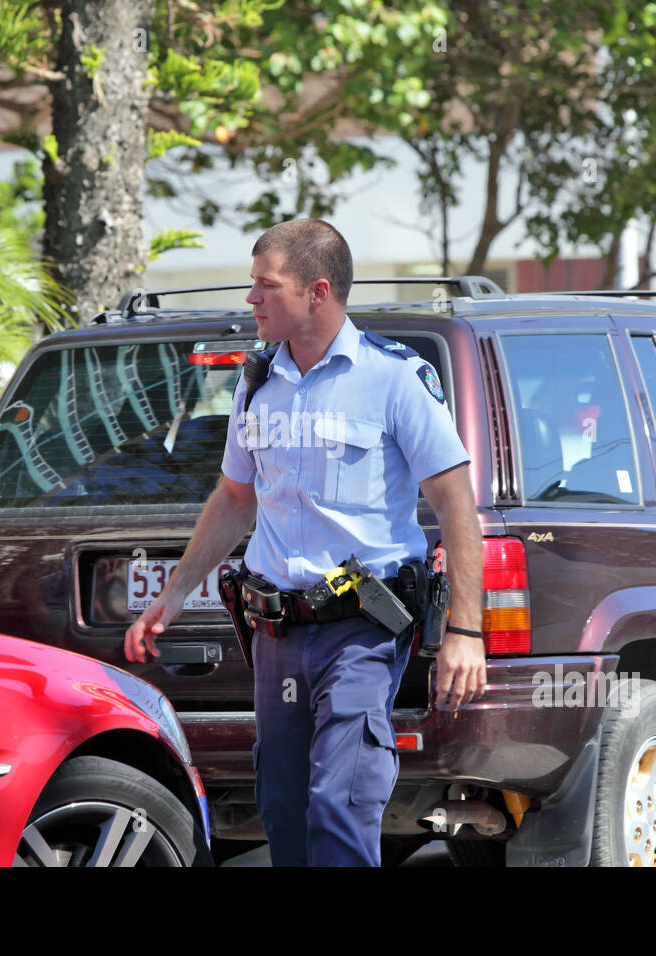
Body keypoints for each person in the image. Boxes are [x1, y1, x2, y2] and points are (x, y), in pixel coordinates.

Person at [124, 218, 485, 866]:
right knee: (285, 811)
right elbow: (236, 500)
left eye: (267, 285)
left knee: (339, 805)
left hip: (361, 631)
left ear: (317, 292)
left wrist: (466, 631)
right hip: (277, 634)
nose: (251, 299)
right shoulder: (257, 381)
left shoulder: (395, 377)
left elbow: (455, 502)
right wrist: (173, 595)